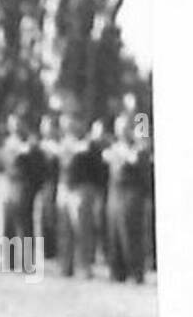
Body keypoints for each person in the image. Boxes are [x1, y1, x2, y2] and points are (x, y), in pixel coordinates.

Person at [104, 111, 153, 283]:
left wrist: (124, 153)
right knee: (114, 232)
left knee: (130, 233)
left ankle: (136, 272)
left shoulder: (138, 145)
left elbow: (136, 158)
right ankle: (117, 272)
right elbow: (107, 157)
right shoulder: (115, 146)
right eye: (118, 127)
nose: (120, 131)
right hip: (114, 192)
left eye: (124, 127)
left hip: (131, 193)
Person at [57, 110, 104, 278]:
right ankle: (66, 265)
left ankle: (84, 266)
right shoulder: (65, 143)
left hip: (82, 189)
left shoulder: (90, 144)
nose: (69, 125)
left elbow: (99, 171)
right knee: (65, 229)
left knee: (83, 230)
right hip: (64, 188)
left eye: (72, 121)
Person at [0, 112, 44, 247]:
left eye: (18, 123)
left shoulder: (31, 142)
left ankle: (27, 261)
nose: (15, 127)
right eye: (13, 124)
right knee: (9, 223)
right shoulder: (8, 142)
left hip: (24, 185)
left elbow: (36, 165)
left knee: (24, 224)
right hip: (10, 185)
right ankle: (10, 261)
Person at [35, 113, 61, 262]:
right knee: (44, 217)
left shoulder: (57, 144)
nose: (45, 128)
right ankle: (48, 251)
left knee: (53, 217)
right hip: (43, 185)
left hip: (55, 183)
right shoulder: (40, 144)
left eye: (48, 125)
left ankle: (56, 250)